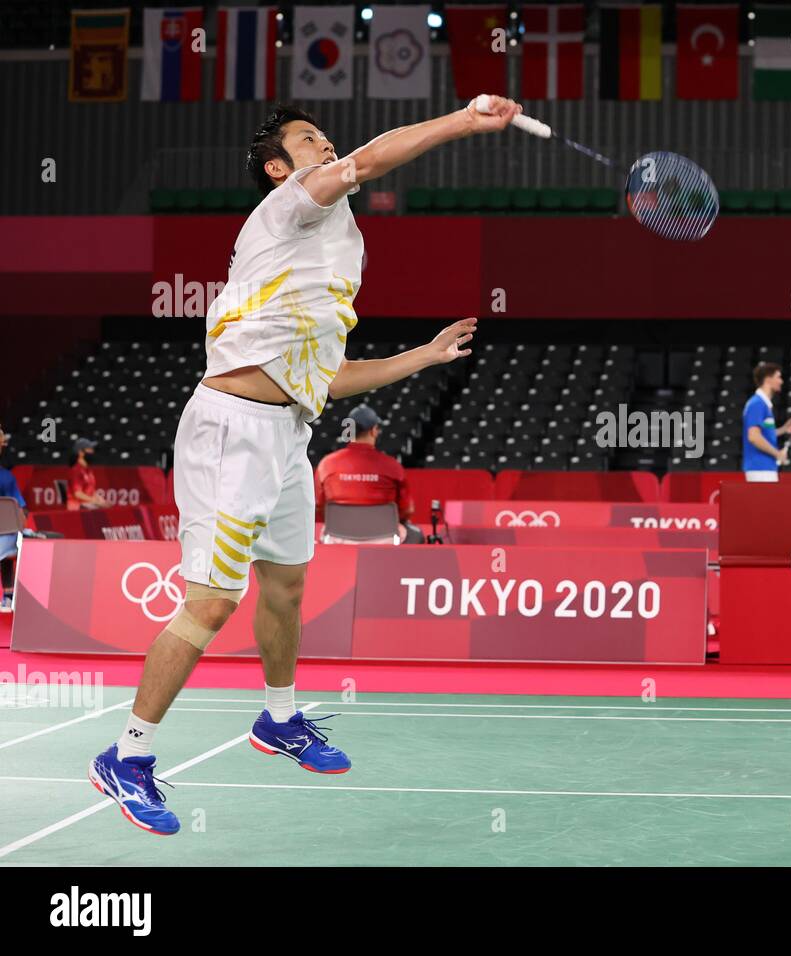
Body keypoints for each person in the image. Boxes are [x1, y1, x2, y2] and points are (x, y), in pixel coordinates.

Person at [89, 96, 520, 836]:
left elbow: (328, 377)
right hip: (230, 431)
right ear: (278, 168)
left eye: (327, 137)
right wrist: (462, 120)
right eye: (308, 140)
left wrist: (424, 355)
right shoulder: (288, 209)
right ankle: (126, 756)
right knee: (211, 604)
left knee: (286, 586)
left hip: (289, 431)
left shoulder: (337, 245)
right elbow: (373, 160)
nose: (327, 145)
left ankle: (278, 719)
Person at [315, 403, 422, 543]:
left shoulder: (326, 464)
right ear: (374, 430)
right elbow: (407, 510)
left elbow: (319, 506)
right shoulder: (392, 466)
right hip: (384, 539)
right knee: (416, 534)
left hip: (337, 538)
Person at [741, 362, 791, 481]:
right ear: (768, 379)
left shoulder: (764, 404)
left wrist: (784, 429)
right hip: (759, 468)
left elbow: (765, 434)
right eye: (778, 377)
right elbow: (754, 437)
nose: (781, 381)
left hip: (766, 467)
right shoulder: (757, 404)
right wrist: (777, 453)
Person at [0, 423, 26, 609]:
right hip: (5, 536)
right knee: (9, 541)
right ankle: (8, 598)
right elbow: (20, 510)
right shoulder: (7, 477)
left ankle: (8, 597)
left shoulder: (7, 476)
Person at [68, 437, 109, 510]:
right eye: (89, 449)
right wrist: (95, 501)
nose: (92, 452)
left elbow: (90, 490)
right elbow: (78, 494)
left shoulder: (88, 470)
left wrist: (100, 499)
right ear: (81, 453)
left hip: (87, 504)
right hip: (77, 505)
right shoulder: (76, 470)